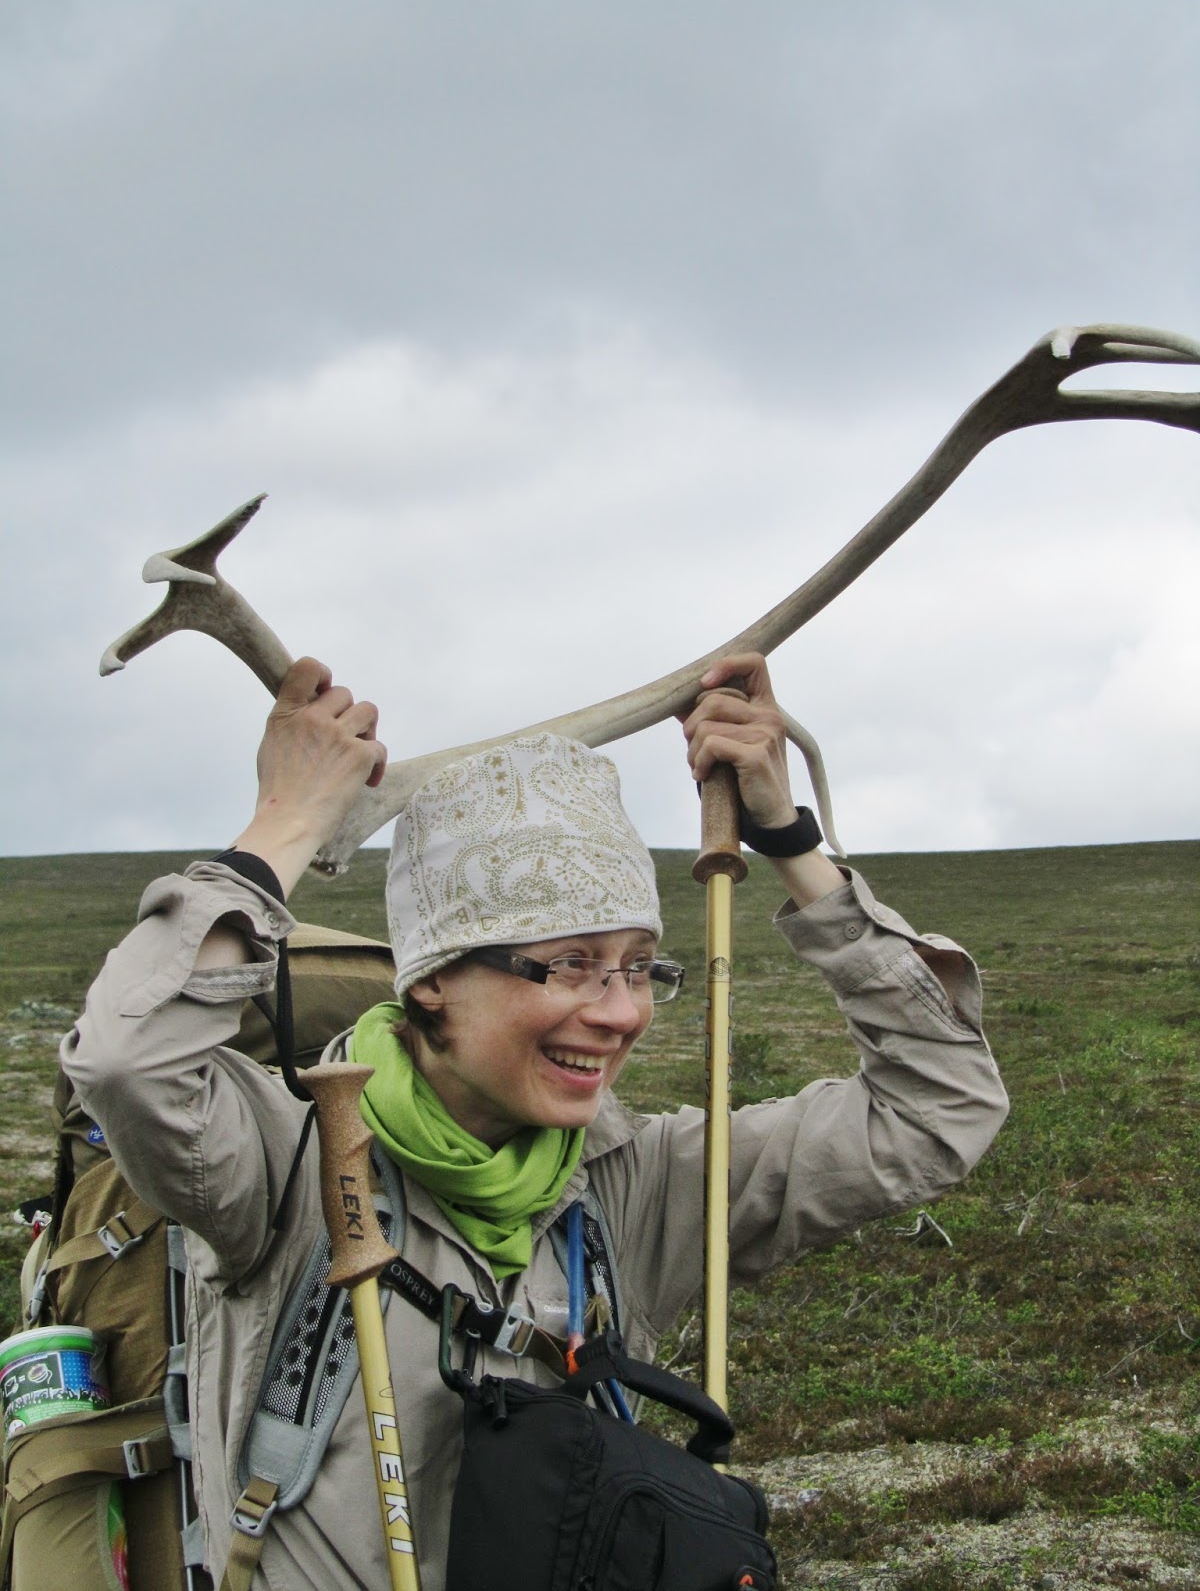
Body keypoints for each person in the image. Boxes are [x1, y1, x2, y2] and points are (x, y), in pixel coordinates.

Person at [63, 652, 1007, 1591]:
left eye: (640, 966)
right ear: (431, 978)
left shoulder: (636, 1184)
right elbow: (125, 1058)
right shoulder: (285, 1161)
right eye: (568, 963)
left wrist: (789, 840)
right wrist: (288, 821)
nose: (621, 1010)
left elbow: (936, 1110)